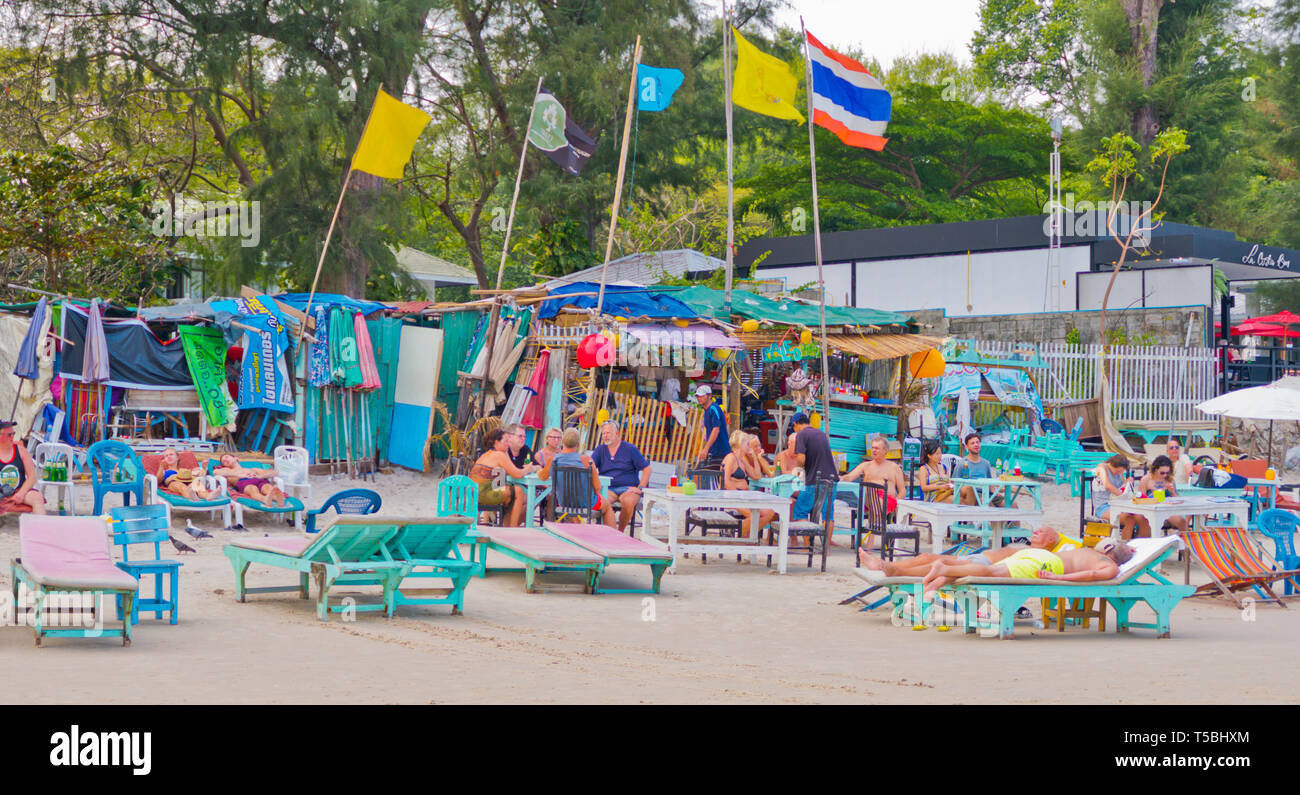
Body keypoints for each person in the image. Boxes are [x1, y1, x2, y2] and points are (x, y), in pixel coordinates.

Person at [920, 537, 1134, 596]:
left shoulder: (1093, 551)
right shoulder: (1109, 566)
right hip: (1048, 563)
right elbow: (1091, 575)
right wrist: (1056, 578)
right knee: (991, 573)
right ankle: (944, 570)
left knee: (991, 570)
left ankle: (943, 578)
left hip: (1039, 555)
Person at [859, 526, 1073, 575]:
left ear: (1051, 539)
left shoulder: (1045, 556)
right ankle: (888, 566)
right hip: (979, 558)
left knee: (935, 562)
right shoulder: (1027, 547)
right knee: (927, 556)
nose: (1036, 531)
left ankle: (891, 569)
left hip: (987, 566)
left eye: (1042, 532)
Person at [540, 428, 612, 526]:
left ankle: (576, 530)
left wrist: (538, 470)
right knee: (607, 505)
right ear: (578, 444)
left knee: (571, 508)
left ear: (562, 442)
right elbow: (598, 487)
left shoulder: (553, 460)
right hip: (586, 503)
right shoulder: (586, 460)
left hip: (564, 503)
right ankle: (611, 538)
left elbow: (543, 477)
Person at [469, 428, 540, 526]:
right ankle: (512, 527)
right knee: (518, 491)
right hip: (484, 494)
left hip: (475, 493)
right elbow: (517, 474)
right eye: (505, 441)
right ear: (496, 442)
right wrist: (529, 468)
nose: (508, 444)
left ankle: (504, 525)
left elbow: (503, 476)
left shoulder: (487, 454)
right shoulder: (499, 455)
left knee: (511, 493)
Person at [591, 421, 651, 533]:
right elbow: (591, 467)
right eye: (603, 433)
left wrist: (640, 488)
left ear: (617, 433)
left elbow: (647, 469)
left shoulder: (630, 449)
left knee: (628, 502)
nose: (605, 436)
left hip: (628, 488)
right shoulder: (600, 450)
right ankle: (606, 532)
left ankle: (620, 532)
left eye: (608, 433)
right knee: (603, 502)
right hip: (609, 488)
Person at [722, 430, 776, 539]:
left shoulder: (742, 460)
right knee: (754, 515)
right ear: (740, 444)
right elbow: (725, 481)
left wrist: (756, 457)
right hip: (732, 497)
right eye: (747, 444)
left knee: (770, 513)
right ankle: (740, 538)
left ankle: (746, 536)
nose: (749, 447)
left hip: (744, 496)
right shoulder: (731, 458)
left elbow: (756, 475)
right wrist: (739, 496)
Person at [789, 412, 839, 522]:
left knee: (800, 512)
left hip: (814, 480)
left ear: (795, 424)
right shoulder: (821, 434)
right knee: (827, 515)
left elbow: (801, 459)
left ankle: (808, 539)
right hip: (831, 479)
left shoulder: (801, 434)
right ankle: (827, 540)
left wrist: (799, 472)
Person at [841, 435, 906, 515]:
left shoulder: (894, 467)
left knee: (881, 503)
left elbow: (902, 490)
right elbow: (849, 477)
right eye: (872, 448)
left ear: (885, 450)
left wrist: (895, 502)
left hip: (889, 501)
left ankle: (874, 525)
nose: (874, 450)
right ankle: (876, 525)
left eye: (877, 448)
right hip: (869, 499)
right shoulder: (865, 465)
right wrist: (838, 478)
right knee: (876, 501)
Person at [1093, 454, 1150, 540]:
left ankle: (1142, 543)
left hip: (1118, 503)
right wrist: (1122, 495)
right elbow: (1107, 485)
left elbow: (1121, 487)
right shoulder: (1102, 467)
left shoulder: (1120, 473)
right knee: (1129, 519)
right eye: (1117, 471)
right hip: (1103, 506)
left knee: (1142, 517)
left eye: (1120, 472)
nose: (1119, 473)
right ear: (1112, 465)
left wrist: (1127, 483)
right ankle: (1124, 545)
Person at [0, 420, 44, 514]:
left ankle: (41, 527)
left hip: (18, 490)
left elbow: (32, 476)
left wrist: (22, 492)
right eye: (9, 435)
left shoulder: (20, 450)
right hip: (1, 492)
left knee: (37, 498)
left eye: (13, 433)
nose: (12, 437)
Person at [1137, 454, 1189, 533]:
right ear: (1155, 469)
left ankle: (1186, 541)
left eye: (1167, 473)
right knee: (1145, 521)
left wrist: (1172, 492)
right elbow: (1140, 499)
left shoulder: (1169, 480)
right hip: (1150, 510)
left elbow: (1177, 499)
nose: (1165, 475)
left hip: (1166, 510)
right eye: (1162, 473)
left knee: (1182, 521)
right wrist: (1152, 497)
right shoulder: (1146, 480)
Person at [214, 454, 289, 507]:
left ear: (235, 458)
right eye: (223, 461)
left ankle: (278, 499)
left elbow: (274, 472)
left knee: (267, 487)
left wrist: (260, 476)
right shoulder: (227, 470)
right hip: (243, 482)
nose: (225, 460)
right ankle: (264, 499)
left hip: (259, 480)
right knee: (252, 489)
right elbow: (216, 472)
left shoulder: (253, 469)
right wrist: (239, 475)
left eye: (227, 457)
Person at [953, 433, 1004, 506]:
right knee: (988, 503)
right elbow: (955, 483)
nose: (976, 445)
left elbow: (989, 482)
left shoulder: (986, 463)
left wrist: (995, 492)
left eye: (977, 442)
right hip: (973, 495)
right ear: (967, 447)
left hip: (987, 493)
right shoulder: (962, 464)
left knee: (1012, 504)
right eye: (972, 443)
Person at [694, 385, 730, 467]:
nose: (699, 398)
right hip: (713, 451)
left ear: (709, 396)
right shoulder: (706, 411)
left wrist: (706, 448)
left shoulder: (713, 408)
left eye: (702, 396)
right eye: (698, 396)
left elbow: (716, 429)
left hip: (721, 450)